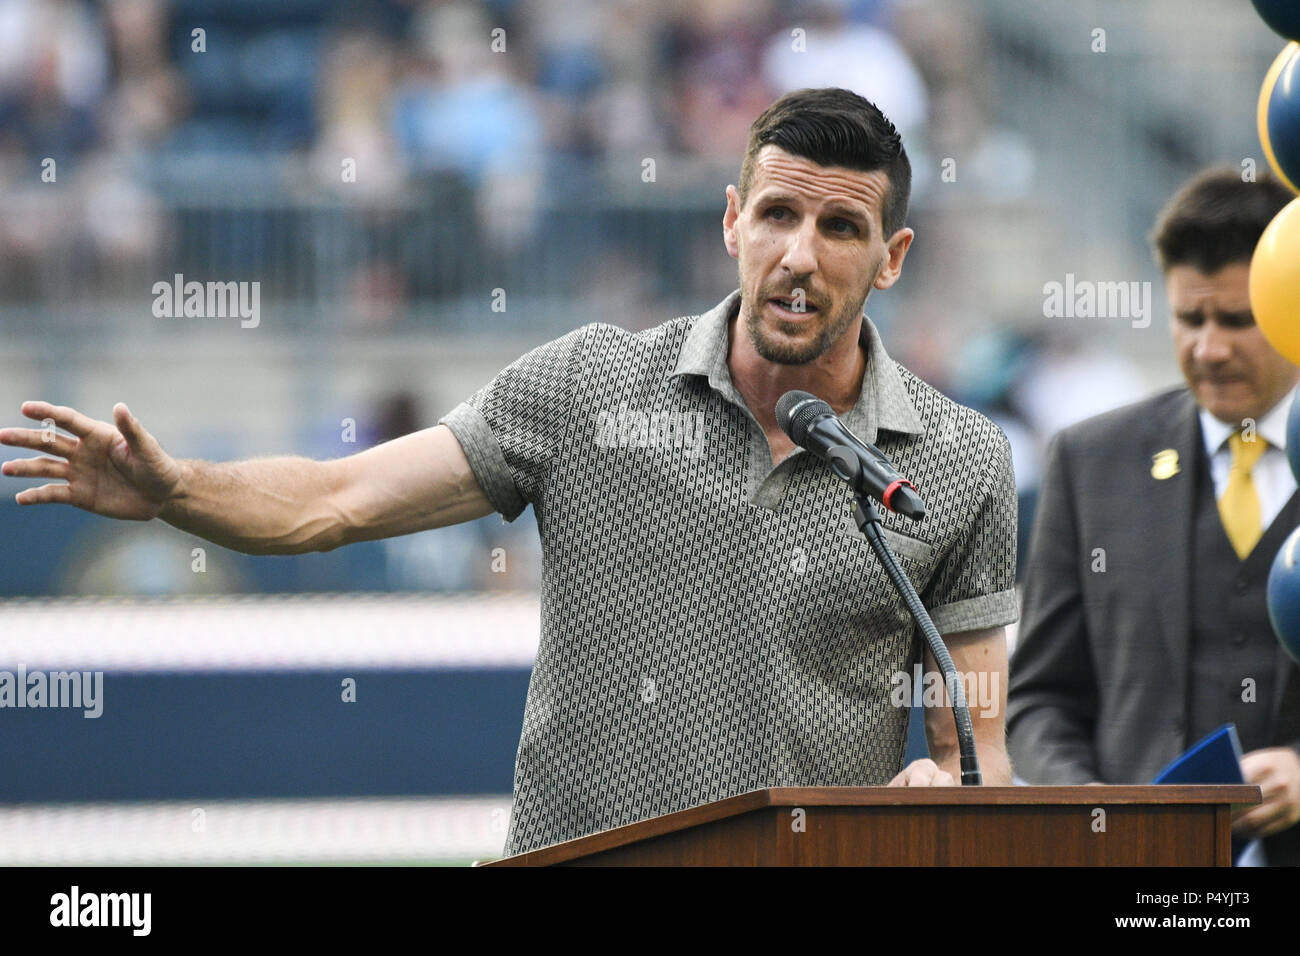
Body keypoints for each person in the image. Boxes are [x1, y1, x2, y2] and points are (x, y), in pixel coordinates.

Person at [1, 87, 1018, 857]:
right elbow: (334, 501)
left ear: (890, 258)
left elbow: (972, 751)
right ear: (730, 222)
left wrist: (947, 803)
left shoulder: (961, 462)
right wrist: (178, 488)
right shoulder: (583, 386)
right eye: (777, 215)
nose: (799, 253)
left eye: (840, 227)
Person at [1007, 168, 1300, 866]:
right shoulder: (1089, 461)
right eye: (1189, 319)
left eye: (1237, 321)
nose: (1209, 349)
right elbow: (1040, 702)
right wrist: (1099, 818)